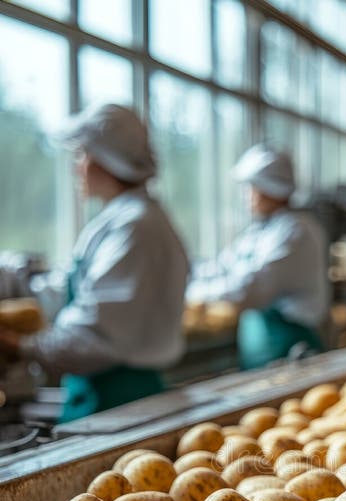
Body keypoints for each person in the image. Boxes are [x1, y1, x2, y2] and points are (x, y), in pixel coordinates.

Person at [0, 104, 189, 422]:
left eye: (82, 155)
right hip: (107, 393)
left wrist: (21, 346)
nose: (77, 167)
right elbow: (73, 294)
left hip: (116, 400)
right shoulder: (126, 220)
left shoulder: (134, 228)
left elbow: (96, 337)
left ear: (106, 160)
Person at [187, 144, 329, 370]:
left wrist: (194, 294)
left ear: (269, 189)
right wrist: (185, 273)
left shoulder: (296, 230)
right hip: (263, 343)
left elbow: (250, 290)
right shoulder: (259, 231)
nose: (246, 195)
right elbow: (223, 266)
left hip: (289, 341)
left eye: (251, 188)